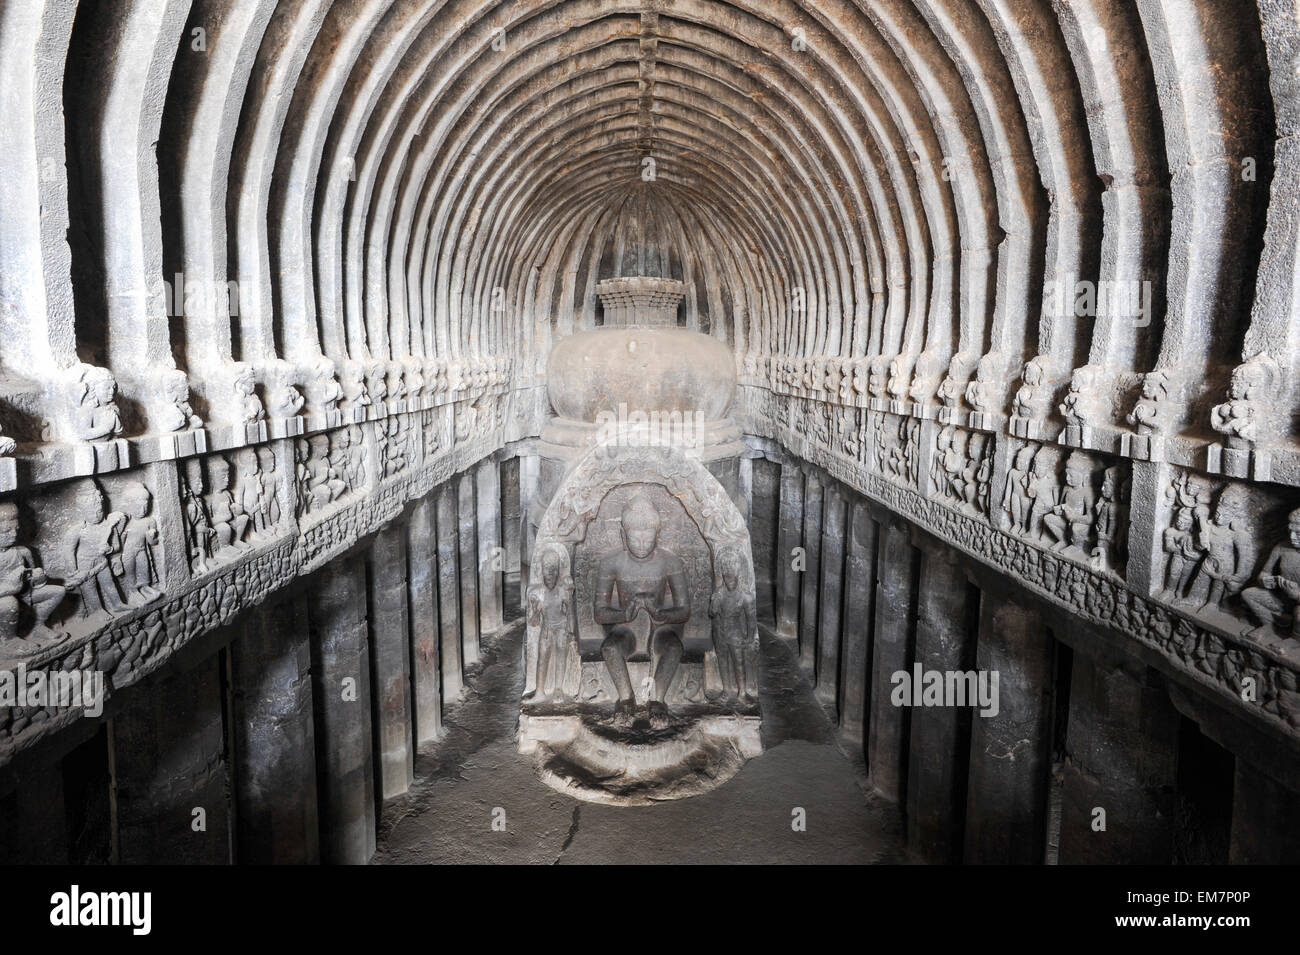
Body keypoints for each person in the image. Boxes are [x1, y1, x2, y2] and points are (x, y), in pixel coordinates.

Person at [593, 495, 690, 727]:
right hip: (626, 630)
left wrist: (661, 614)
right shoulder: (611, 563)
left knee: (675, 647)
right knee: (609, 648)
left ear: (658, 534)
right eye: (635, 538)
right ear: (623, 535)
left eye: (648, 537)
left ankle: (657, 700)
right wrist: (624, 615)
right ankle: (627, 699)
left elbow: (684, 610)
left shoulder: (670, 563)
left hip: (659, 630)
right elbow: (599, 613)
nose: (641, 544)